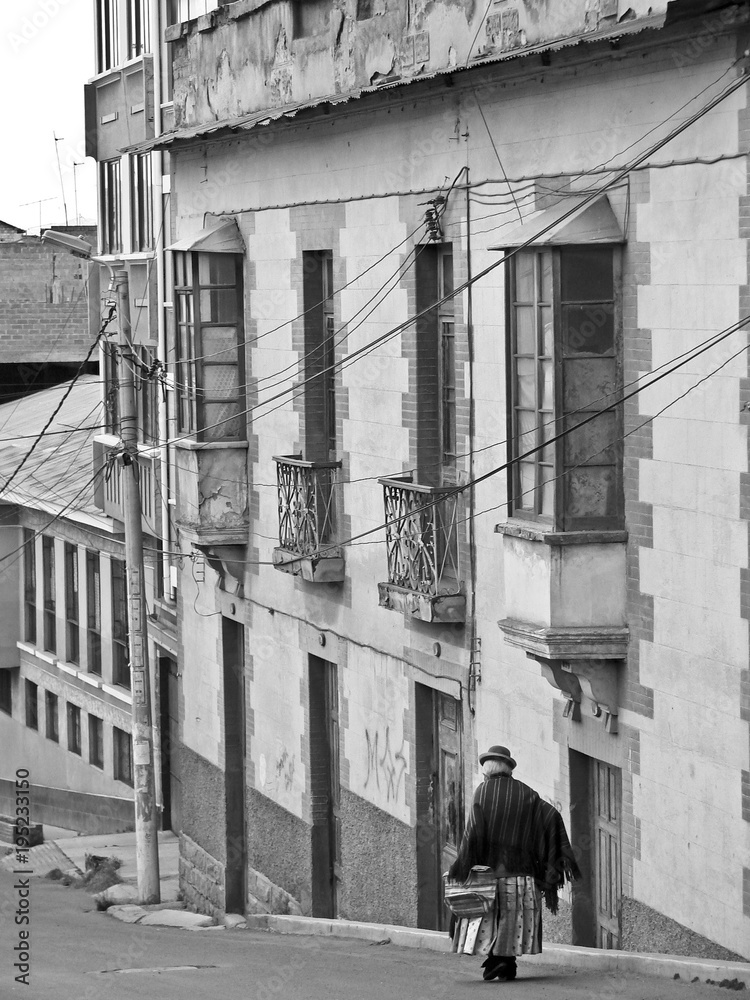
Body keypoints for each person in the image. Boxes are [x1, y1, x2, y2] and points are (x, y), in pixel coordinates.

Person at [446, 745, 580, 982]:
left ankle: (499, 961)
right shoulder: (527, 794)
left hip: (490, 876)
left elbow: (473, 832)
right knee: (513, 919)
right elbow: (551, 816)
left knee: (491, 918)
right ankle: (505, 962)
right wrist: (549, 855)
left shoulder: (483, 792)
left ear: (487, 772)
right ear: (509, 771)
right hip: (522, 876)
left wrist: (463, 864)